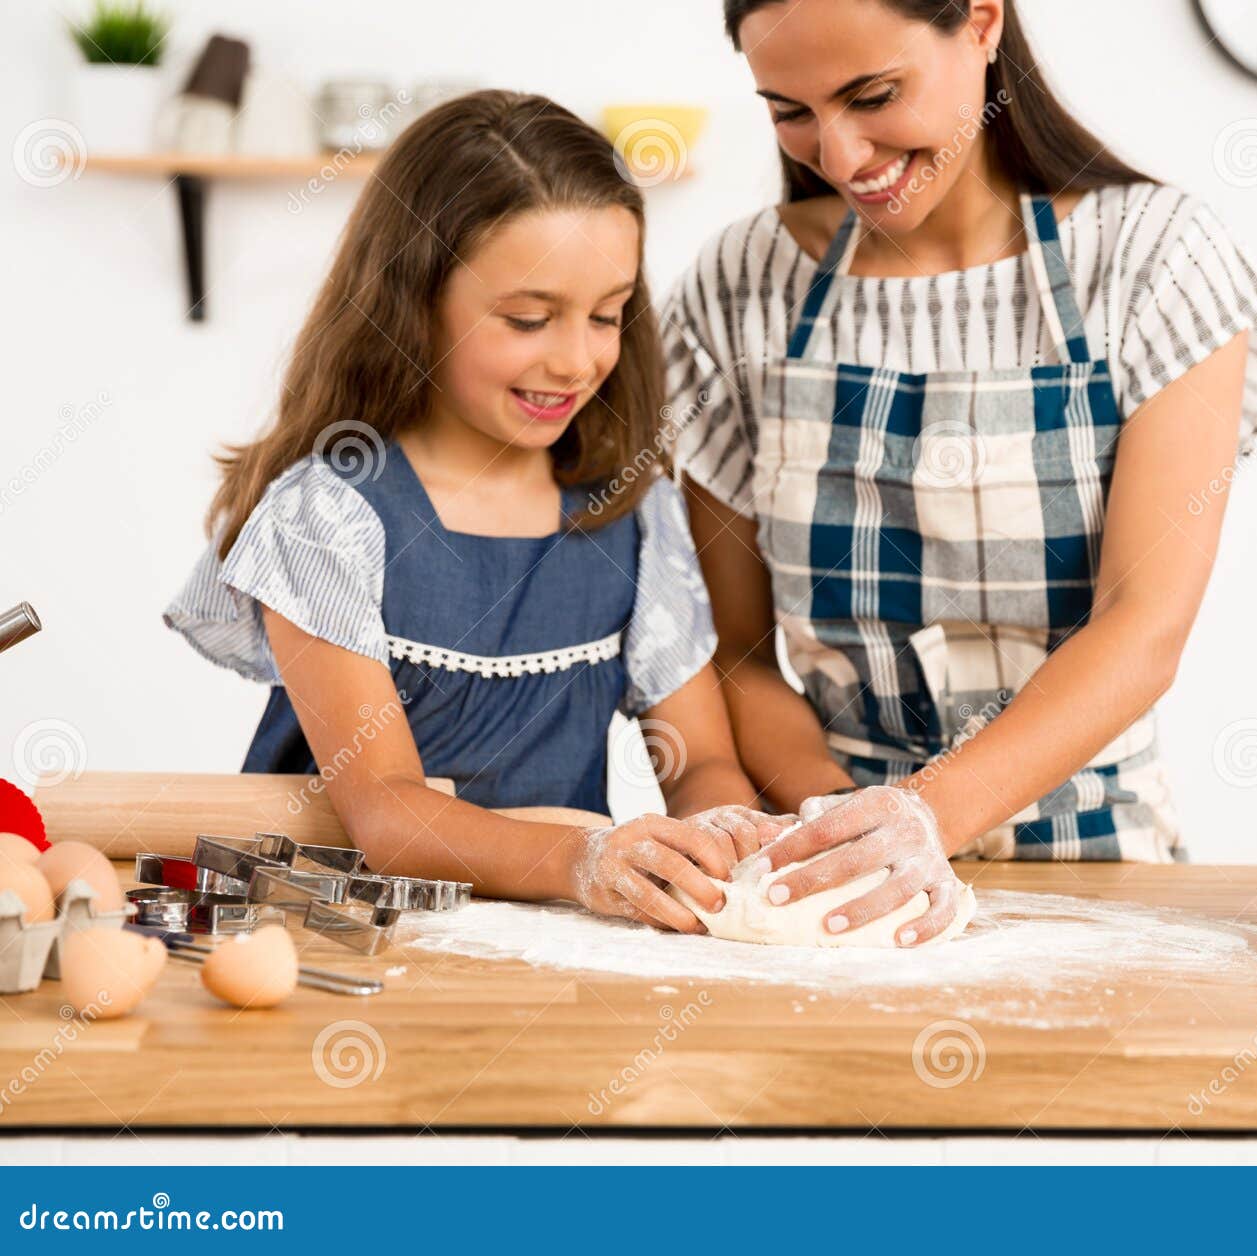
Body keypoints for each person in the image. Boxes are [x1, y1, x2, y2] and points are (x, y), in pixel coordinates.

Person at [664, 0, 1257, 944]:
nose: (838, 158)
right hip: (829, 870)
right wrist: (847, 836)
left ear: (981, 22)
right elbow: (742, 656)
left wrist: (929, 816)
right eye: (789, 110)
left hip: (1099, 879)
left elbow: (1143, 623)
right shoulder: (741, 283)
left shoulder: (1153, 260)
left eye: (872, 95)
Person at [165, 91, 789, 927]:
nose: (576, 360)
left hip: (552, 957)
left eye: (607, 315)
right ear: (412, 303)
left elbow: (703, 757)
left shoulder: (634, 515)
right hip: (326, 941)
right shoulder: (327, 517)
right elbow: (386, 810)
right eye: (529, 319)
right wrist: (581, 858)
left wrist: (717, 827)